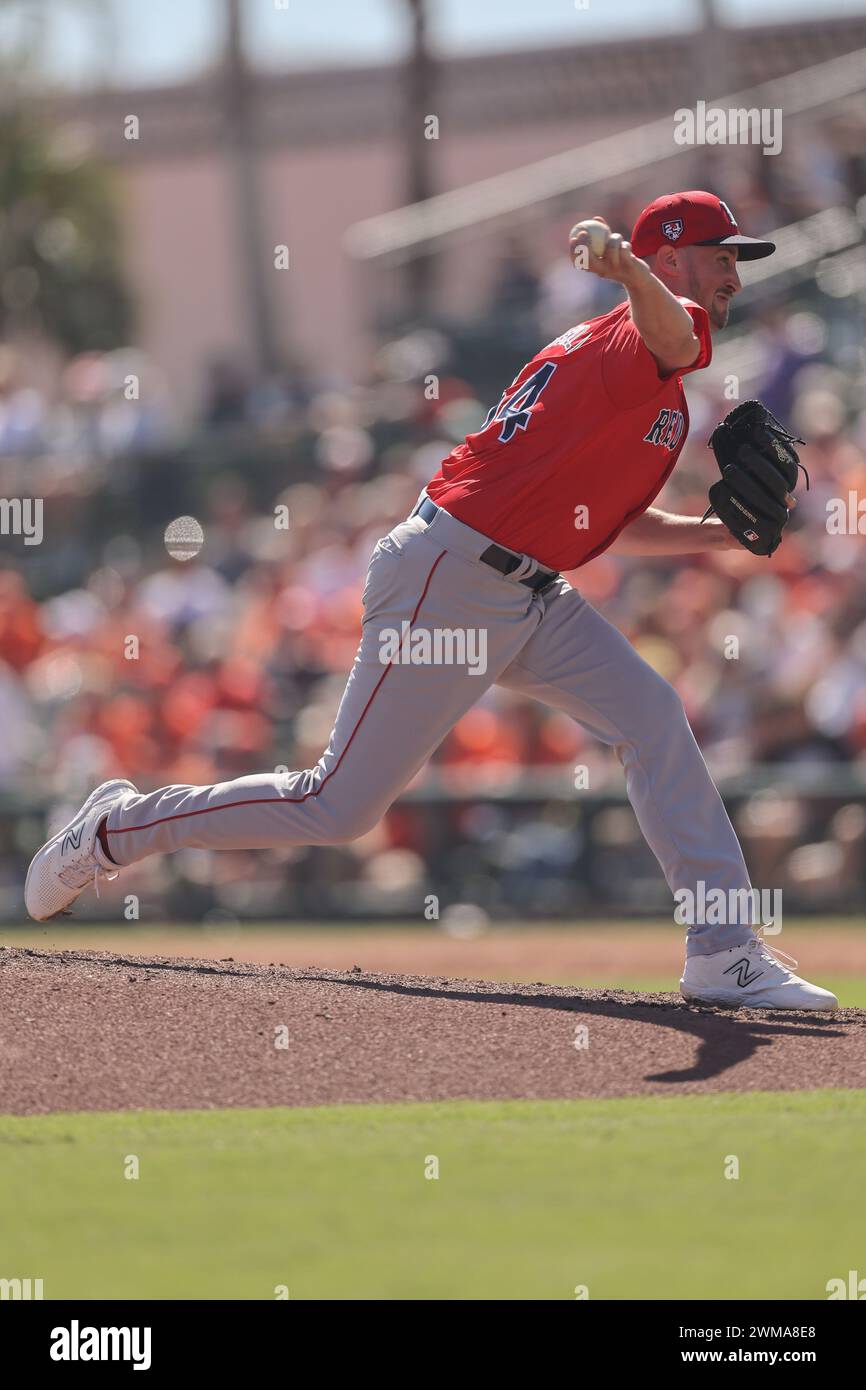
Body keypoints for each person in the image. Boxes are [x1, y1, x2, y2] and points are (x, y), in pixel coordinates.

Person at [25, 191, 837, 1012]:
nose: (735, 273)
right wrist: (623, 268)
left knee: (653, 717)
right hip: (448, 580)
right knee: (335, 807)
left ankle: (724, 951)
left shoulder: (650, 386)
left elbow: (610, 523)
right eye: (721, 254)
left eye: (738, 259)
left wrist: (713, 535)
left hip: (528, 590)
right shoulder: (641, 338)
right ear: (667, 260)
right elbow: (669, 329)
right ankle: (115, 829)